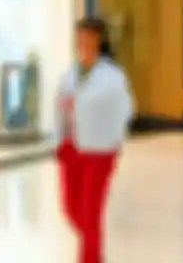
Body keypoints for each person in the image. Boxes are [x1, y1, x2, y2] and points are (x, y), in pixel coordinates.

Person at [56, 18, 135, 263]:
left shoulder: (113, 76)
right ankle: (95, 252)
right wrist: (58, 140)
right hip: (71, 149)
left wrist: (113, 138)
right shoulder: (70, 73)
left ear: (100, 41)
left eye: (90, 38)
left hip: (100, 151)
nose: (85, 43)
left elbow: (126, 109)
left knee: (91, 215)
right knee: (71, 209)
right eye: (81, 37)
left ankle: (90, 258)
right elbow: (58, 106)